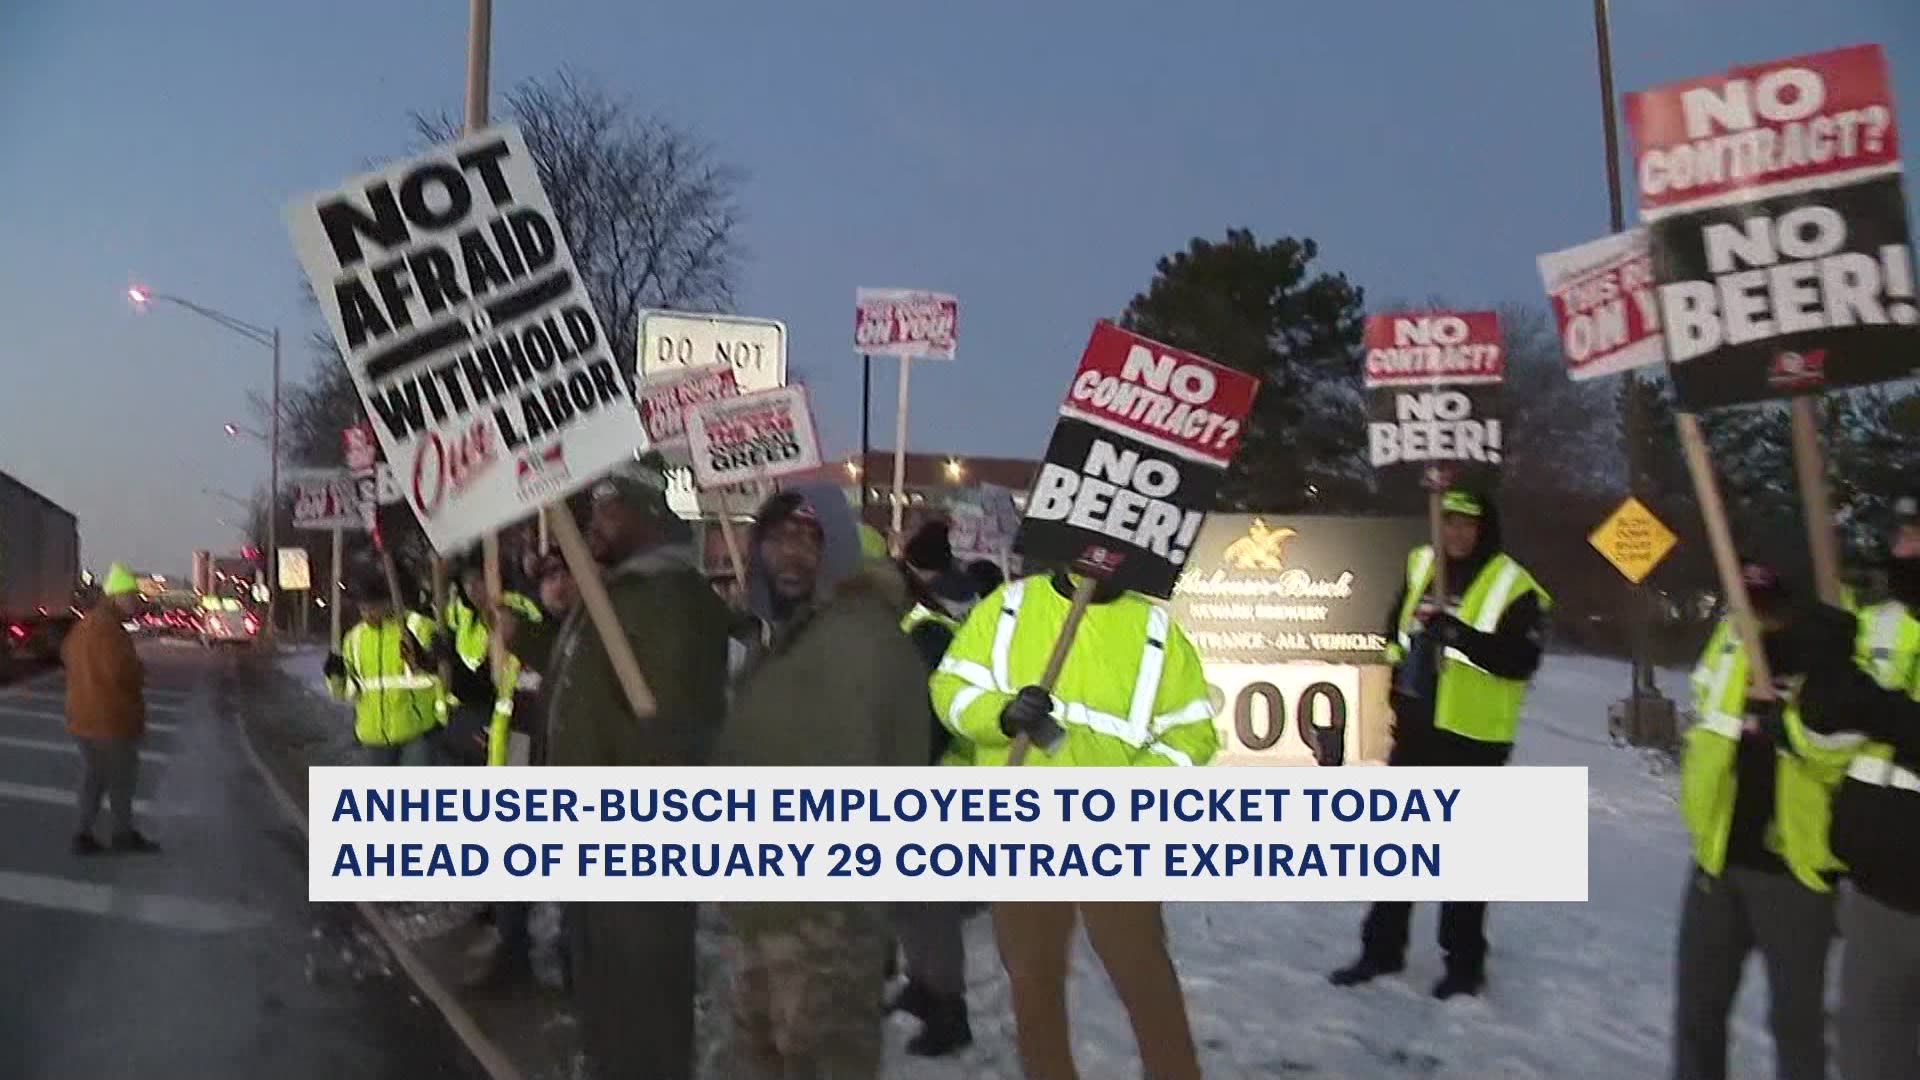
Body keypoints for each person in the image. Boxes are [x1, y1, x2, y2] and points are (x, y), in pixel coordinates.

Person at [929, 566, 1218, 1080]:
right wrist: (1002, 715)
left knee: (1142, 970)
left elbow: (1191, 734)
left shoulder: (1156, 630)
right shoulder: (1008, 606)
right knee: (1032, 976)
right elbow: (950, 687)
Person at [498, 455, 732, 1080]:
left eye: (607, 506)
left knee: (642, 1007)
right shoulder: (613, 595)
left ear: (647, 512)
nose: (594, 520)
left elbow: (681, 730)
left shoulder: (669, 599)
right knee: (604, 1000)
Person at [712, 486, 931, 1079]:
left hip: (828, 925)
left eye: (808, 539)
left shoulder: (864, 639)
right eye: (777, 539)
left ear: (835, 551)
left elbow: (900, 775)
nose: (790, 555)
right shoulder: (780, 644)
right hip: (765, 913)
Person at [1329, 486, 1550, 999]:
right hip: (1417, 730)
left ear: (1484, 529)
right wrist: (1395, 677)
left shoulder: (1514, 585)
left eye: (1467, 525)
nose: (1456, 534)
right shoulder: (1421, 563)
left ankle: (1464, 964)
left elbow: (1522, 662)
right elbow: (1394, 630)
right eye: (1449, 522)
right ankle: (1381, 951)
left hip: (1474, 738)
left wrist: (1458, 636)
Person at [1671, 562, 1843, 1080]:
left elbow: (1847, 751)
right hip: (1718, 854)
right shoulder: (1728, 640)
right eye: (1744, 597)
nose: (1753, 612)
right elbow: (1705, 718)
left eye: (1765, 600)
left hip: (1793, 866)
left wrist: (1787, 725)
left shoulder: (1831, 648)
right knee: (1698, 1010)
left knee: (1797, 1025)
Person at [1785, 494, 1920, 1080]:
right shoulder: (1873, 625)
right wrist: (1817, 710)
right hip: (1876, 897)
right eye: (1903, 534)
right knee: (1868, 1062)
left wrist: (1881, 712)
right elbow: (1818, 756)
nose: (1905, 549)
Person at [887, 528, 989, 1057]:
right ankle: (924, 987)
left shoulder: (926, 633)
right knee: (907, 901)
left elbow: (930, 722)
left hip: (934, 783)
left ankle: (950, 1011)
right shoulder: (908, 627)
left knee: (931, 906)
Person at [64, 562, 158, 855]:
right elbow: (122, 672)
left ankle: (82, 834)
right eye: (130, 595)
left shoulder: (85, 625)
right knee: (121, 781)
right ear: (115, 595)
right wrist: (139, 671)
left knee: (93, 778)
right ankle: (122, 835)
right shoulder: (110, 630)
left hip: (83, 719)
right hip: (111, 720)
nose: (134, 601)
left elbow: (66, 653)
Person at [324, 562, 442, 767]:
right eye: (362, 607)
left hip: (416, 733)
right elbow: (345, 693)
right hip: (374, 737)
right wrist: (335, 676)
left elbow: (440, 673)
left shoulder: (417, 628)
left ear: (388, 602)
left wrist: (441, 716)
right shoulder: (354, 639)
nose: (367, 613)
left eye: (372, 607)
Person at [438, 554, 543, 768]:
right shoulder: (467, 618)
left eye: (479, 580)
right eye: (467, 582)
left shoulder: (516, 609)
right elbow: (469, 672)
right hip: (475, 723)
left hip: (517, 723)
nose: (473, 588)